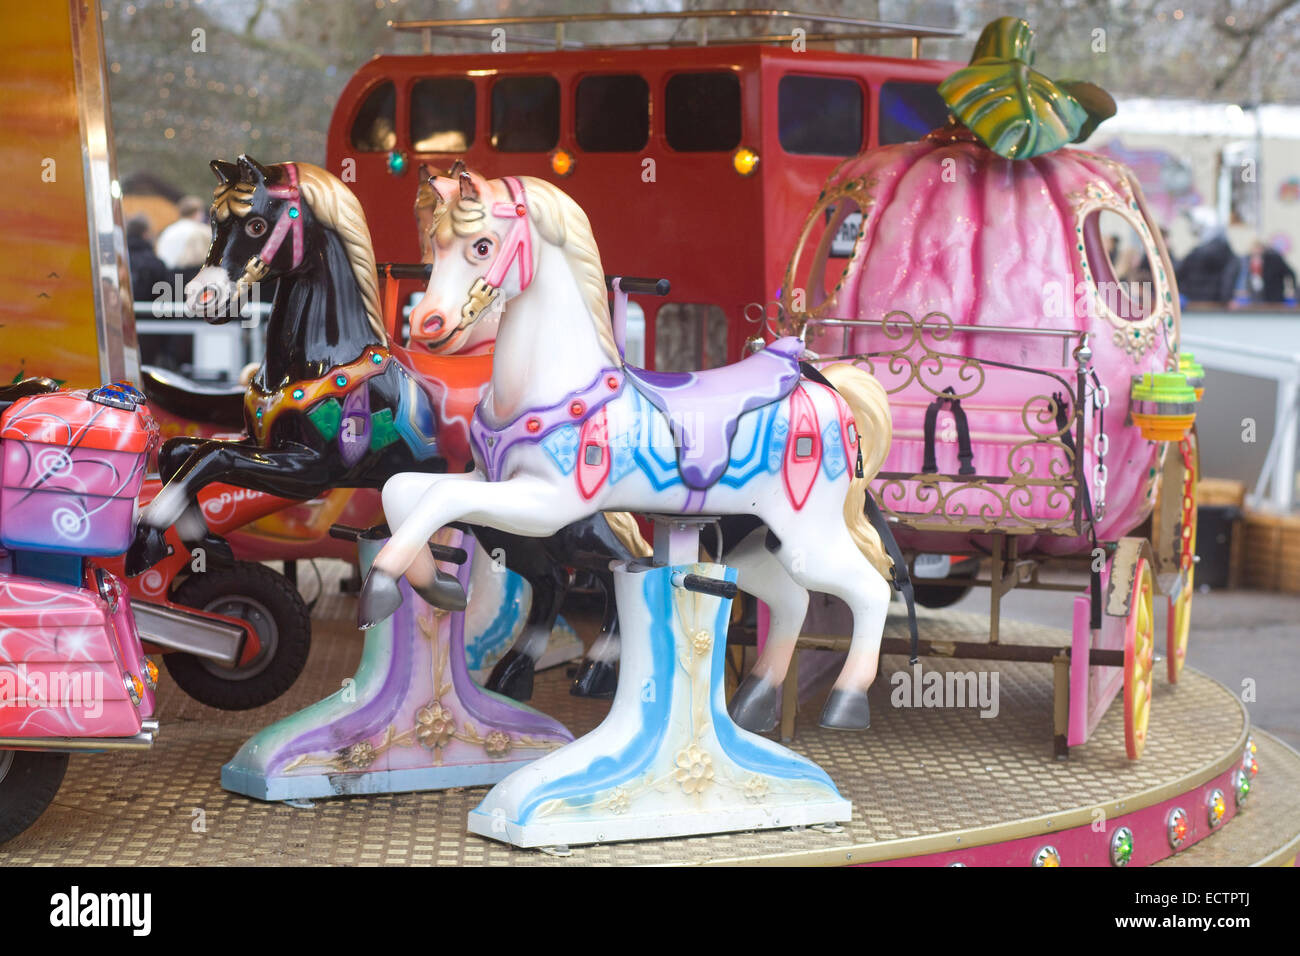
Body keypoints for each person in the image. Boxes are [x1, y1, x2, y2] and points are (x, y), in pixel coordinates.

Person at [155, 196, 211, 283]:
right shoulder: (201, 231)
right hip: (190, 279)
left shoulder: (168, 231)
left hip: (166, 278)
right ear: (197, 213)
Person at [125, 216, 171, 302]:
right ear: (145, 234)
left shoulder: (120, 260)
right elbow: (165, 296)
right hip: (149, 314)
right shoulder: (155, 263)